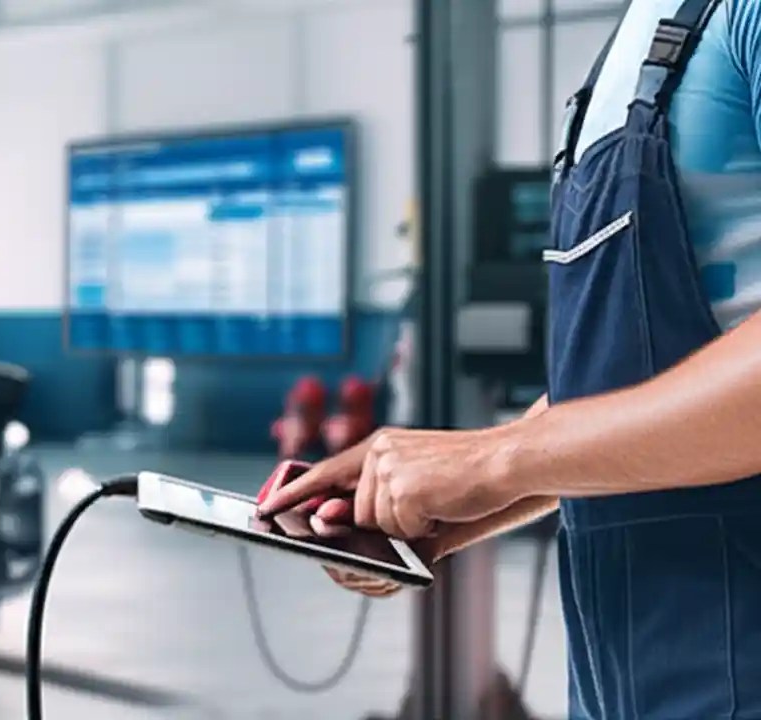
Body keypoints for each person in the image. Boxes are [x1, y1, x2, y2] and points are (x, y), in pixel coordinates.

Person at [258, 1, 761, 717]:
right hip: (628, 678)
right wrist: (459, 499)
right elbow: (639, 374)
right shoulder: (636, 43)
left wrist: (497, 463)